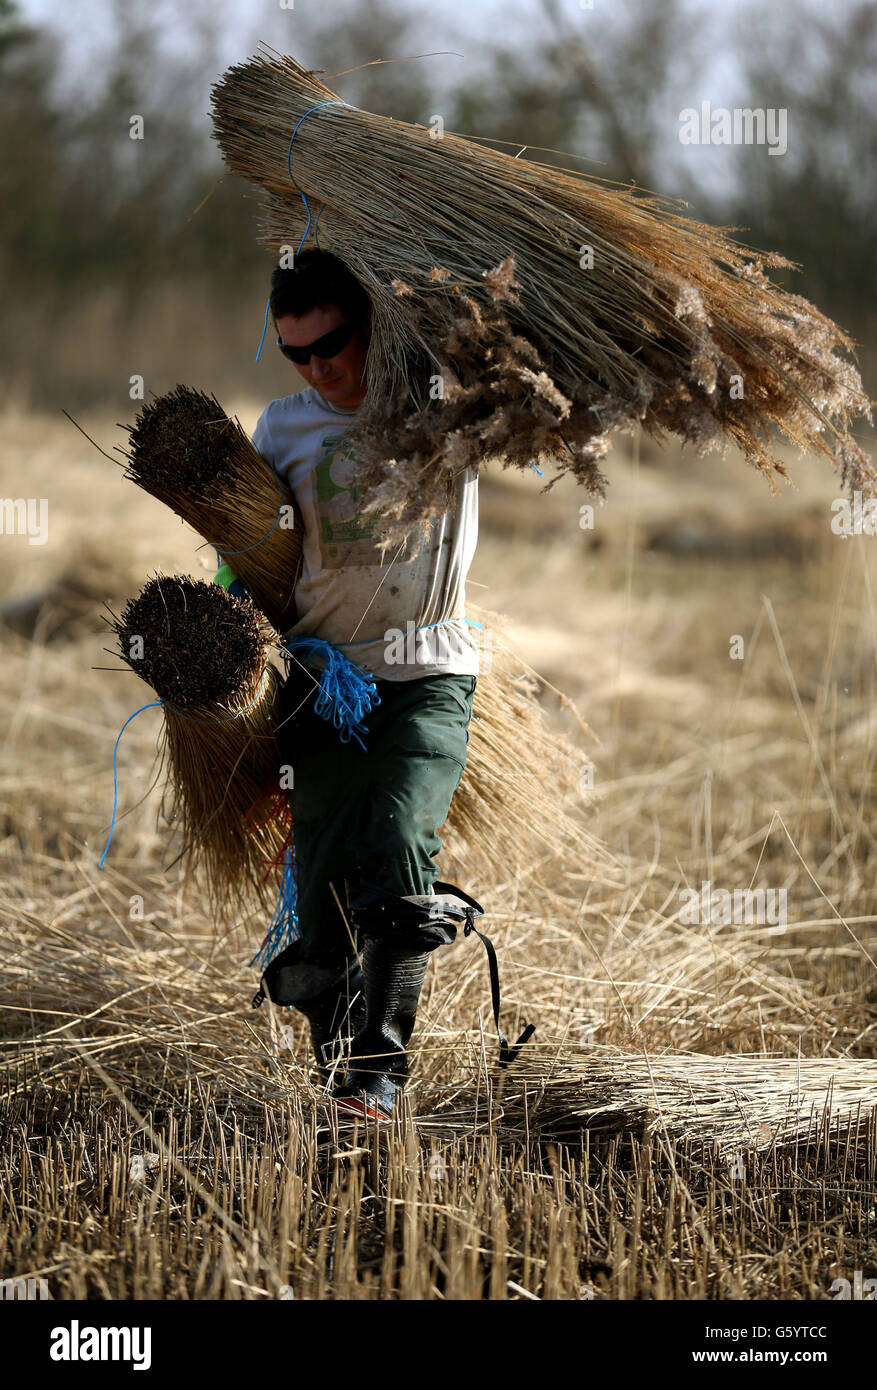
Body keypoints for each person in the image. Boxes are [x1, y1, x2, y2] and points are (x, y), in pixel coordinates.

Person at [244, 249, 484, 1121]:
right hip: (321, 680)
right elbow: (256, 560)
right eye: (297, 353)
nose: (319, 366)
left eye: (333, 342)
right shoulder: (281, 428)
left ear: (369, 324)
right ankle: (341, 1081)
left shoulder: (443, 402)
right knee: (324, 897)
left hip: (427, 669)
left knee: (396, 841)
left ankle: (379, 1075)